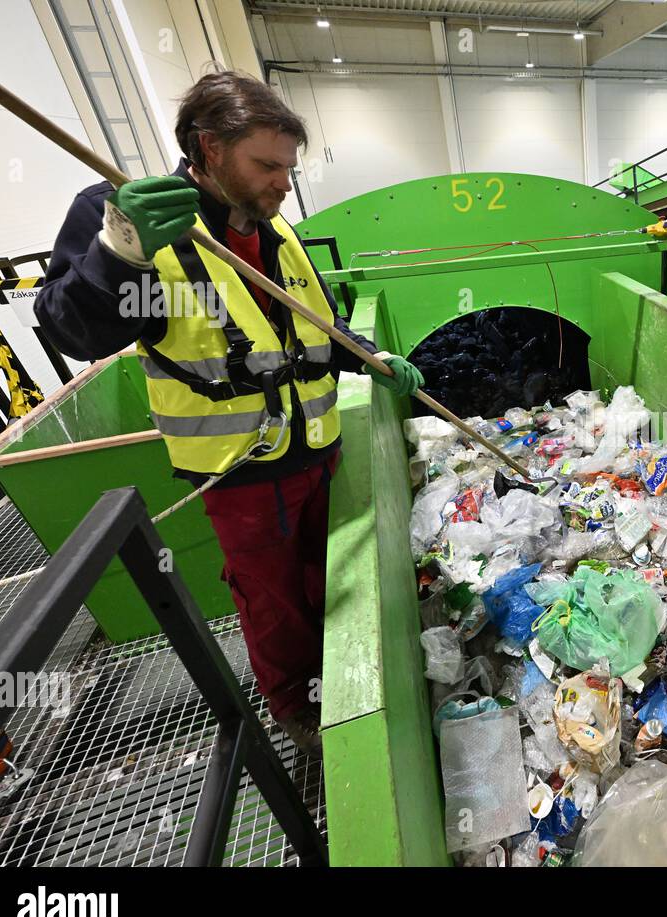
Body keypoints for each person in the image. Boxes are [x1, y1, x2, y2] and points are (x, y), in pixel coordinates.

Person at [36, 70, 424, 755]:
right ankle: (297, 710)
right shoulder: (134, 219)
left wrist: (369, 357)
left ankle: (340, 682)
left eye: (289, 168)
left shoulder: (277, 233)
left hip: (317, 449)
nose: (284, 183)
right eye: (267, 165)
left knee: (323, 583)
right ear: (210, 148)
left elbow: (318, 329)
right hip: (244, 472)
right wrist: (120, 250)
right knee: (273, 604)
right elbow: (73, 329)